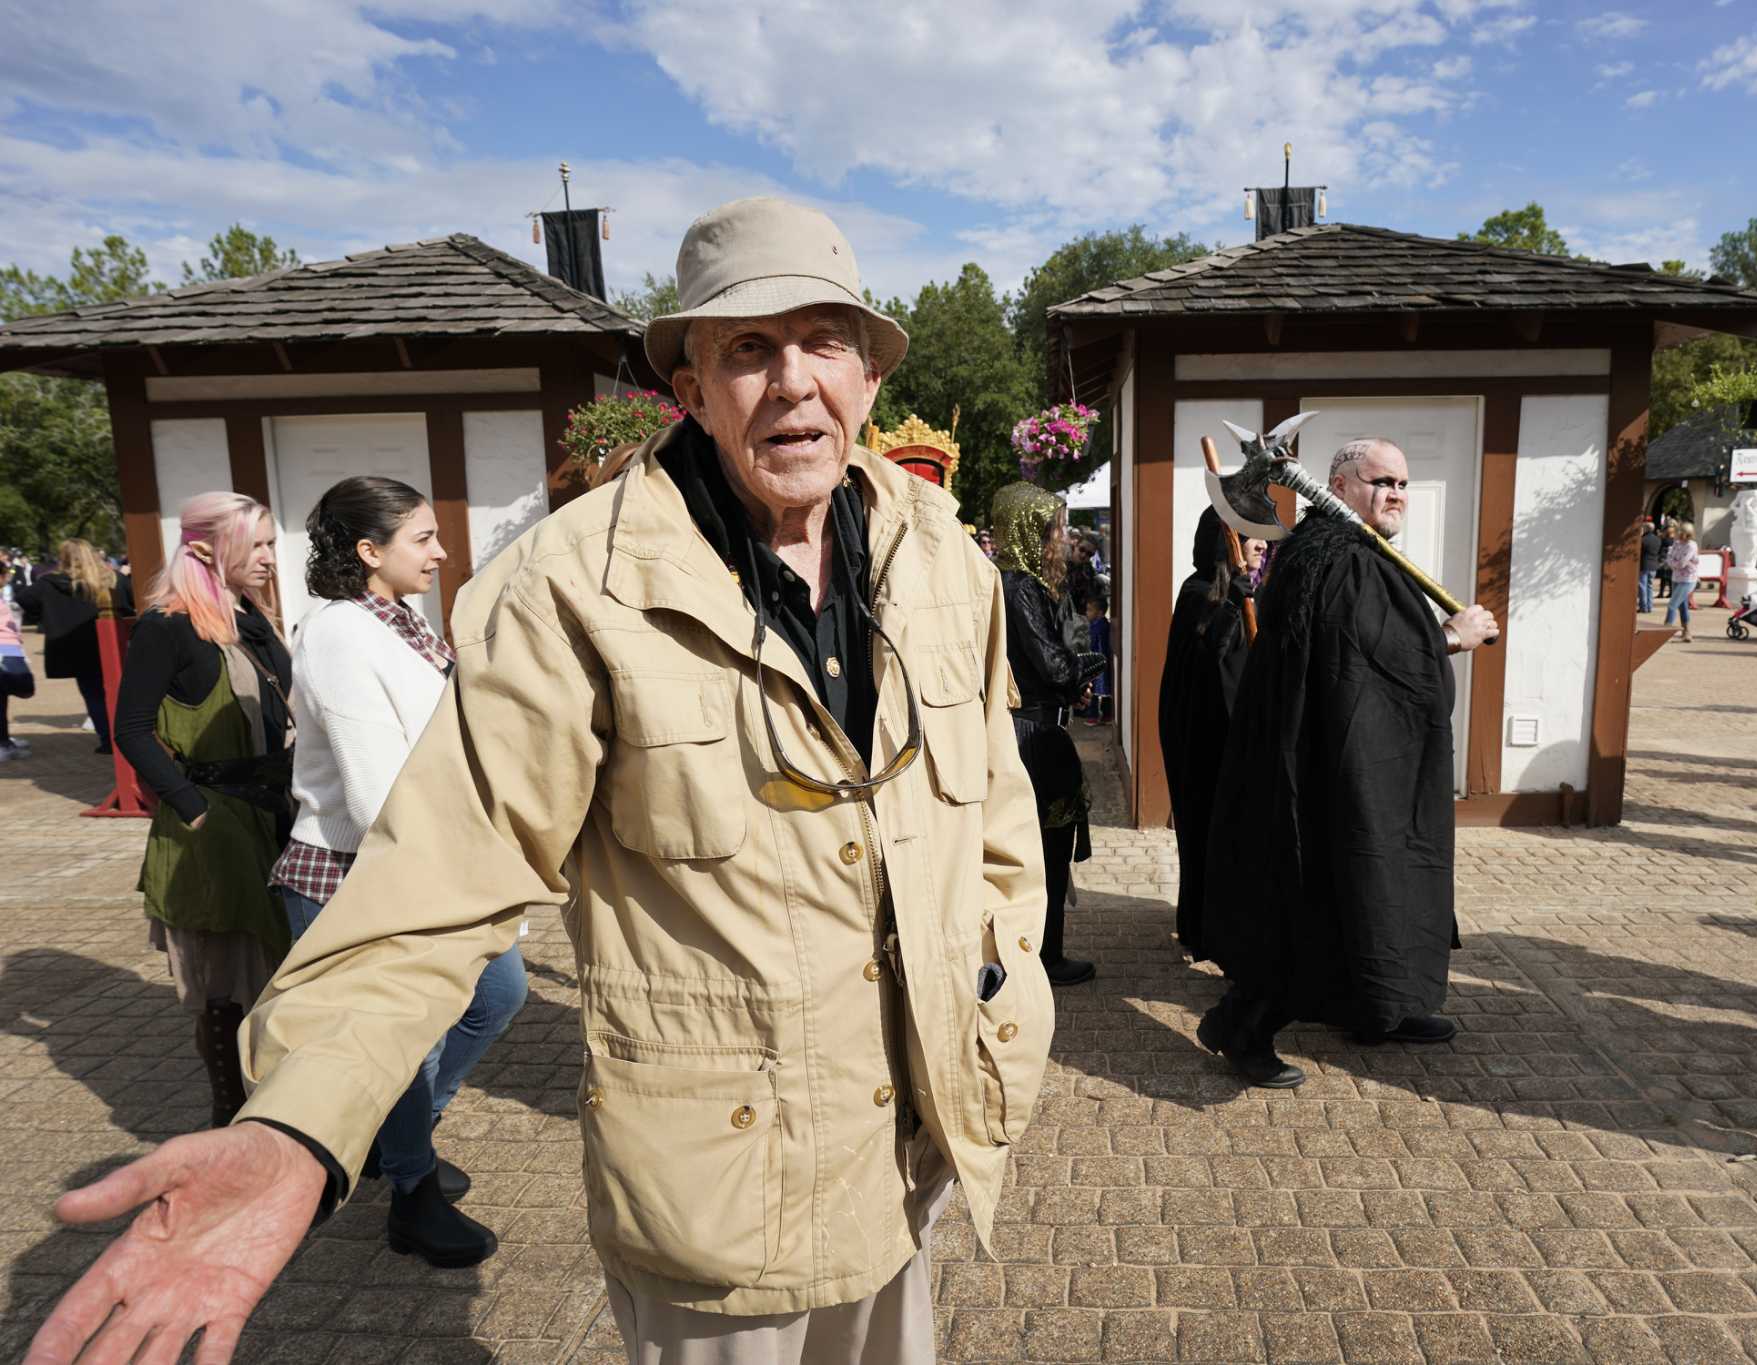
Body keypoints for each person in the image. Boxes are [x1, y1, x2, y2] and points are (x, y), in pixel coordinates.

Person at [30, 197, 1054, 1365]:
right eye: (746, 349)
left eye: (825, 342)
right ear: (690, 383)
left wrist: (1002, 980)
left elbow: (993, 811)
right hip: (731, 1188)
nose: (791, 383)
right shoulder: (571, 588)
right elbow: (436, 875)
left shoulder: (937, 555)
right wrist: (296, 1127)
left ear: (869, 374)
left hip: (921, 1127)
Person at [276, 475, 525, 1267]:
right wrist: (476, 864)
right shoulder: (341, 633)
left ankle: (398, 1136)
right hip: (358, 873)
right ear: (368, 550)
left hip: (421, 856)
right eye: (422, 537)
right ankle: (410, 1199)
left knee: (497, 993)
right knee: (401, 1040)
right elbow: (377, 790)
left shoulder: (398, 621)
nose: (441, 550)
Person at [1197, 437, 1496, 1089]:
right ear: (1338, 481)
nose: (1395, 492)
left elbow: (1366, 654)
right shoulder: (1337, 555)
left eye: (1404, 483)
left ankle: (1378, 1007)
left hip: (1345, 757)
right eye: (1380, 479)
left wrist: (1436, 640)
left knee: (1362, 889)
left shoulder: (1348, 549)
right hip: (1323, 765)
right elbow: (1368, 657)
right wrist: (1452, 636)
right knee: (1307, 894)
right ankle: (1240, 1030)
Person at [111, 492, 294, 1131]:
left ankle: (279, 1111)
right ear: (204, 548)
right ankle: (231, 1122)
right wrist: (190, 807)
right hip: (214, 830)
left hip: (272, 816)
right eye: (258, 545)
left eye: (272, 543)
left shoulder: (251, 617)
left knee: (274, 975)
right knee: (226, 986)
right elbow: (131, 729)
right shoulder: (168, 626)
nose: (271, 558)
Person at [994, 479, 1103, 988]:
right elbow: (1054, 666)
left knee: (1039, 847)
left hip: (1031, 726)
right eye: (1055, 527)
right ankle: (1042, 956)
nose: (1062, 537)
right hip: (1031, 737)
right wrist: (1087, 665)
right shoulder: (1020, 587)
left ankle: (1037, 950)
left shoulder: (1014, 584)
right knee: (1045, 850)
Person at [1159, 508, 1252, 963]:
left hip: (1231, 738)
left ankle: (1220, 927)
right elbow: (1216, 658)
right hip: (1203, 741)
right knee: (1204, 837)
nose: (1261, 547)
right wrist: (1235, 605)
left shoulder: (1243, 595)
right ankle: (1201, 930)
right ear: (1226, 546)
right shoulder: (1197, 593)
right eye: (1250, 538)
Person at [17, 538, 117, 751]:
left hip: (74, 647)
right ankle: (126, 738)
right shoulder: (109, 579)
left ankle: (108, 740)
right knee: (119, 691)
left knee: (94, 694)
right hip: (110, 643)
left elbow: (24, 598)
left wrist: (43, 615)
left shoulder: (48, 583)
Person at [0, 592, 31, 760]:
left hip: (7, 648)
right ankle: (3, 744)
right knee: (21, 685)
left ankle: (4, 740)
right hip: (4, 648)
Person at [1662, 521, 1699, 642]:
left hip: (1688, 579)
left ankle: (1665, 631)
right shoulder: (1676, 543)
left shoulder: (1691, 545)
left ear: (1687, 534)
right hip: (1676, 577)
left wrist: (1675, 563)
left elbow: (1682, 562)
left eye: (1680, 531)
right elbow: (1669, 558)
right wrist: (1674, 563)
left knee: (1672, 605)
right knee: (1682, 606)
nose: (1678, 533)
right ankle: (1687, 632)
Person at [1081, 593, 1114, 724]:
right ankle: (1107, 716)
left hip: (1095, 663)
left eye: (1089, 610)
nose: (1086, 613)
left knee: (1093, 691)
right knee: (1106, 693)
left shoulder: (1095, 627)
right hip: (1105, 663)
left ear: (1099, 612)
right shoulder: (1106, 624)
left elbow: (1091, 644)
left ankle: (1093, 716)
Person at [1637, 515, 1662, 613]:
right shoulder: (1657, 539)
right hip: (1654, 565)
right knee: (1650, 587)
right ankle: (1650, 606)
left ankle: (1643, 607)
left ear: (1646, 528)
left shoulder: (1643, 540)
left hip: (1644, 565)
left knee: (1642, 586)